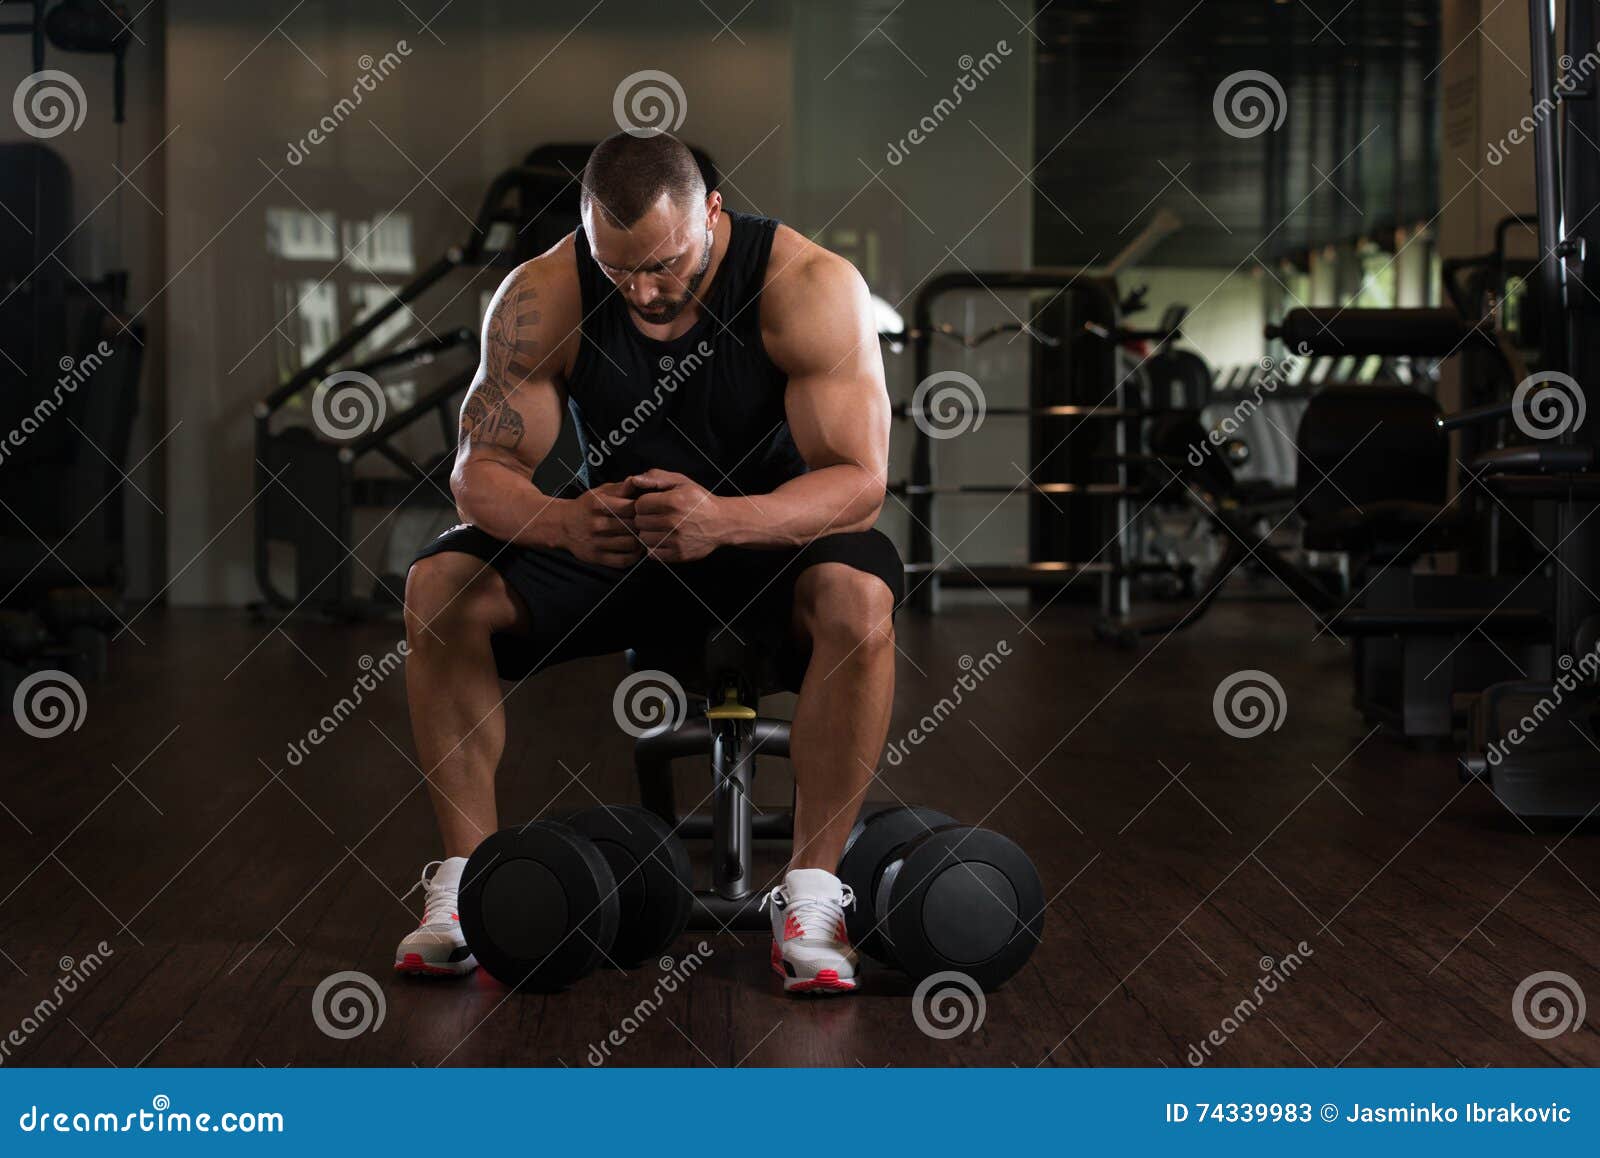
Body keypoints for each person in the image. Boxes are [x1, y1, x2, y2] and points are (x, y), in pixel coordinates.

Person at [395, 131, 901, 994]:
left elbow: (859, 483)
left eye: (665, 264)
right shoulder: (544, 292)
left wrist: (727, 519)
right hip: (622, 547)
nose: (645, 290)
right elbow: (476, 474)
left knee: (858, 597)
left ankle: (812, 896)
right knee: (441, 586)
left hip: (768, 542)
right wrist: (561, 523)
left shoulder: (806, 286)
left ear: (711, 212)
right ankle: (467, 887)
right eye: (619, 268)